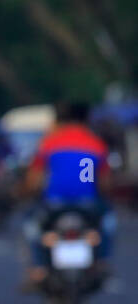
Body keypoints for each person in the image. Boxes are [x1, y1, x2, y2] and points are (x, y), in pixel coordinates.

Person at [20, 100, 113, 287]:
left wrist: (25, 192)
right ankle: (101, 261)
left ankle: (39, 268)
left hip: (55, 203)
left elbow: (34, 180)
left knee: (31, 225)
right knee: (108, 223)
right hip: (88, 204)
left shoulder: (49, 143)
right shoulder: (96, 144)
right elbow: (105, 183)